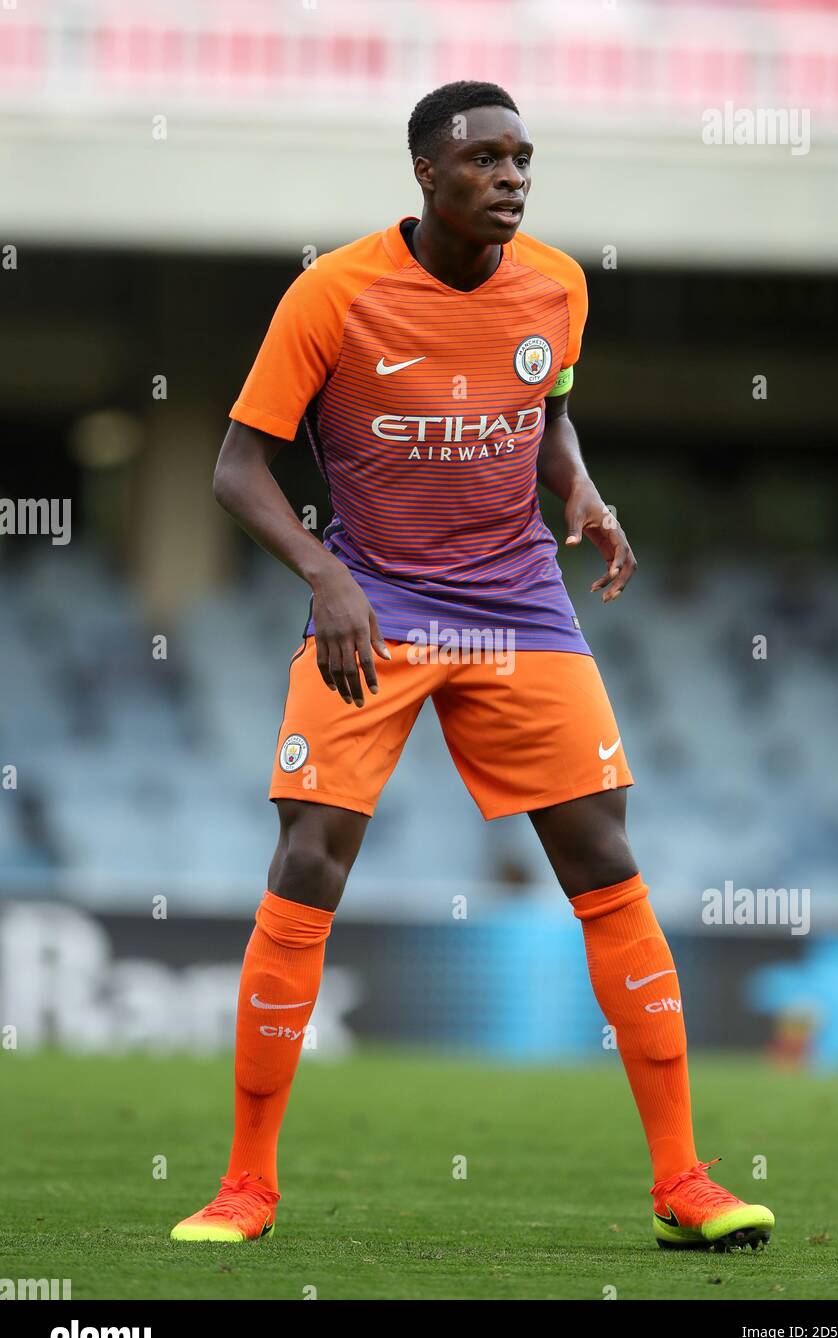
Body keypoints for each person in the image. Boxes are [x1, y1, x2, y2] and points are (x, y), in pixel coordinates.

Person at [170, 81, 774, 1253]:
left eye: (522, 159)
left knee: (604, 854)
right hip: (376, 602)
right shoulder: (331, 295)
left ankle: (684, 1182)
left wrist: (580, 490)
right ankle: (246, 1185)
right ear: (423, 174)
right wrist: (324, 576)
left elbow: (541, 415)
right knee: (307, 857)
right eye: (484, 159)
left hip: (514, 604)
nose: (509, 177)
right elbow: (238, 468)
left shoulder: (557, 282)